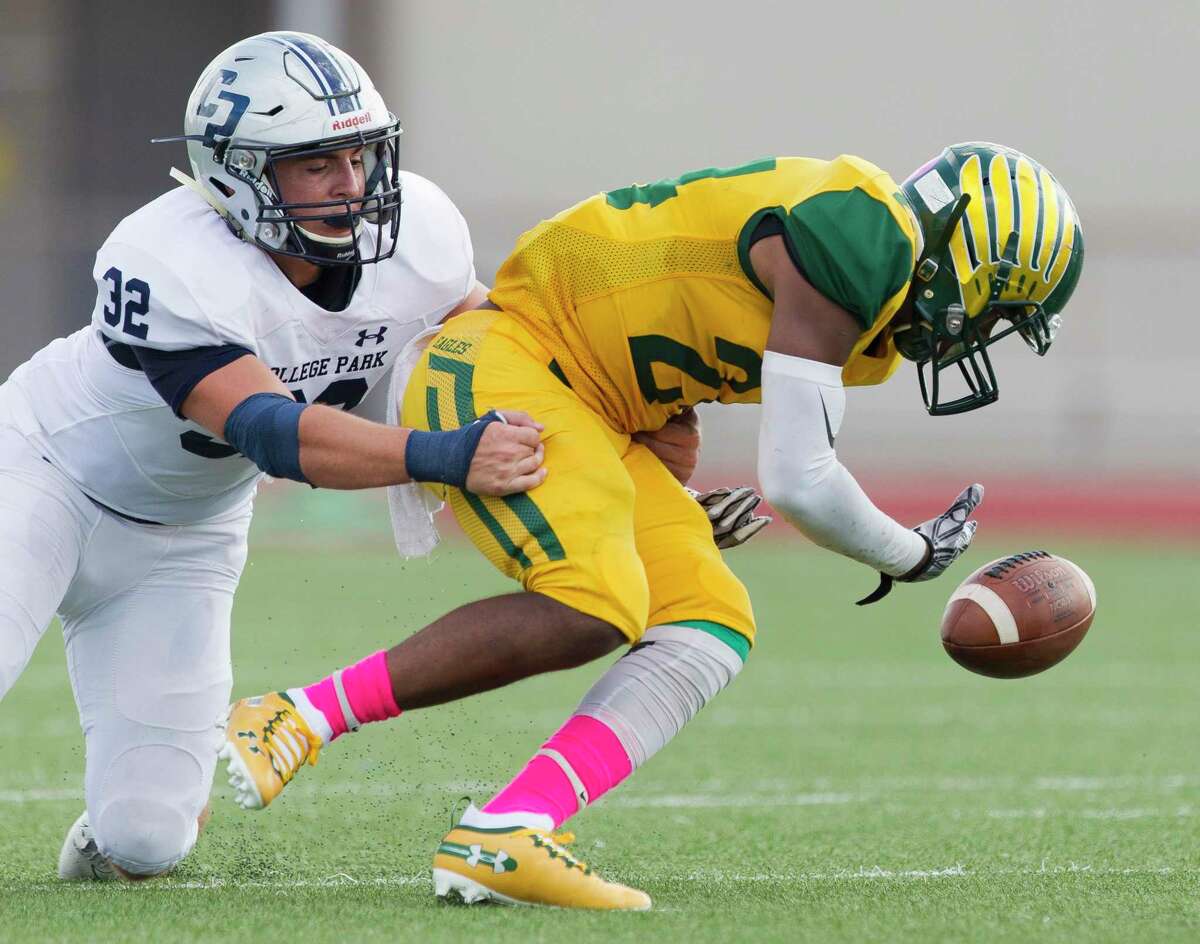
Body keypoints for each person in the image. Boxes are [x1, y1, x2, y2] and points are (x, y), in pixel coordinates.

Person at [222, 143, 1084, 909]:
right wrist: (912, 551)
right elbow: (801, 480)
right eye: (1000, 308)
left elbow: (669, 349)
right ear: (973, 261)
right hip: (510, 359)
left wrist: (666, 486)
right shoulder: (864, 238)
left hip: (587, 403)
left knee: (709, 621)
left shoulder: (871, 302)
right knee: (597, 598)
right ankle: (294, 717)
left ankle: (510, 828)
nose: (984, 332)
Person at [0, 31, 550, 882]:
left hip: (185, 536)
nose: (353, 185)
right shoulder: (169, 260)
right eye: (316, 164)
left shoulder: (423, 238)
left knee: (147, 841)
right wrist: (447, 456)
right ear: (236, 174)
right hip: (42, 476)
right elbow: (276, 434)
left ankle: (111, 833)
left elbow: (507, 361)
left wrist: (638, 472)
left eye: (360, 155)